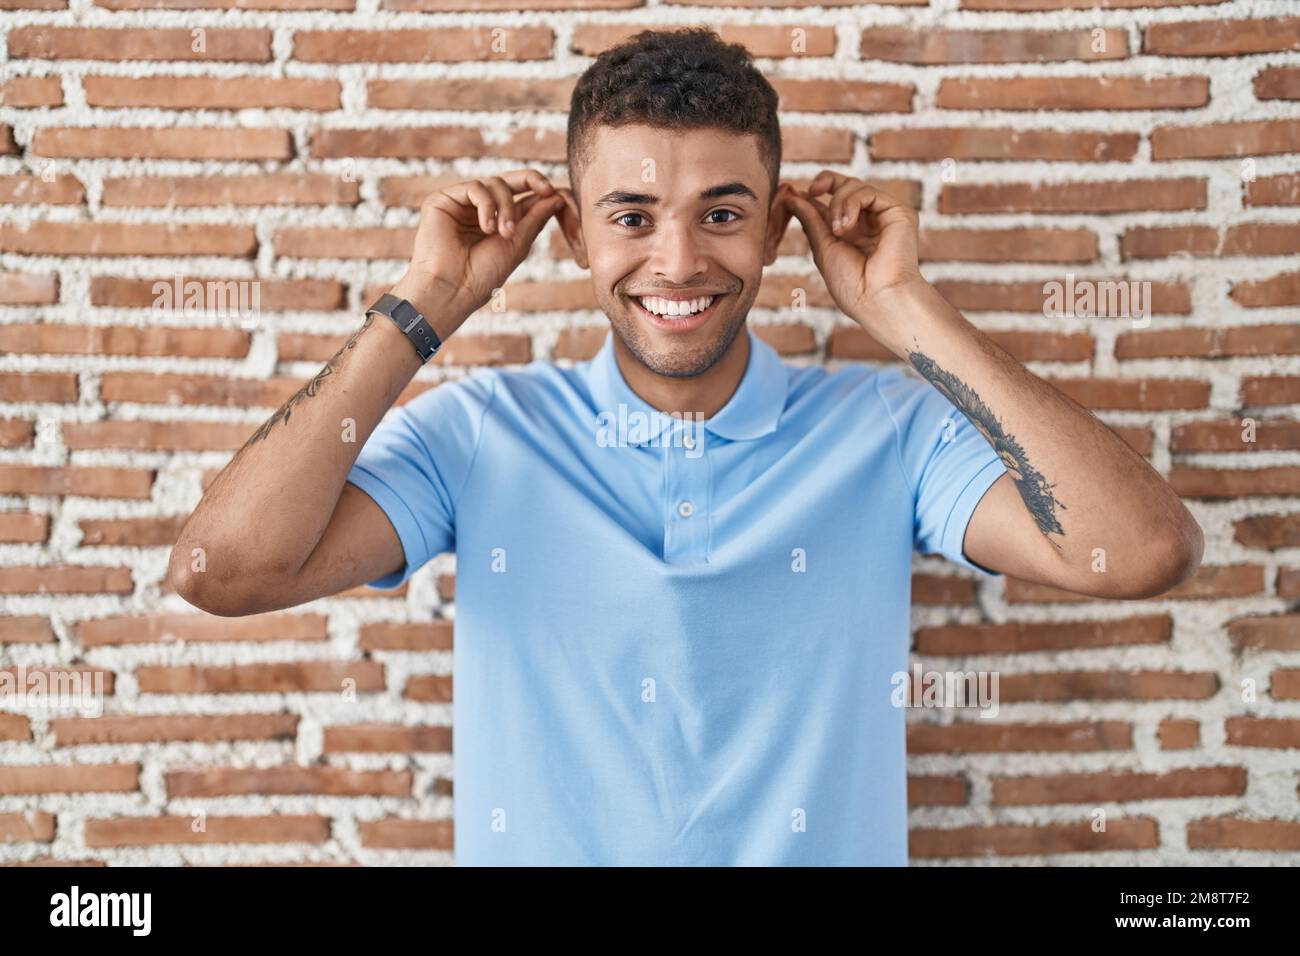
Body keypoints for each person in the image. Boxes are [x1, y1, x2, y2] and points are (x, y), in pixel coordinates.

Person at [168, 28, 1203, 865]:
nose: (677, 260)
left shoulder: (886, 430)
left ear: (774, 234)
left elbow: (1141, 552)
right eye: (631, 215)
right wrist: (428, 302)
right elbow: (223, 571)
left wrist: (904, 308)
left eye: (721, 213)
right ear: (572, 234)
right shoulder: (480, 432)